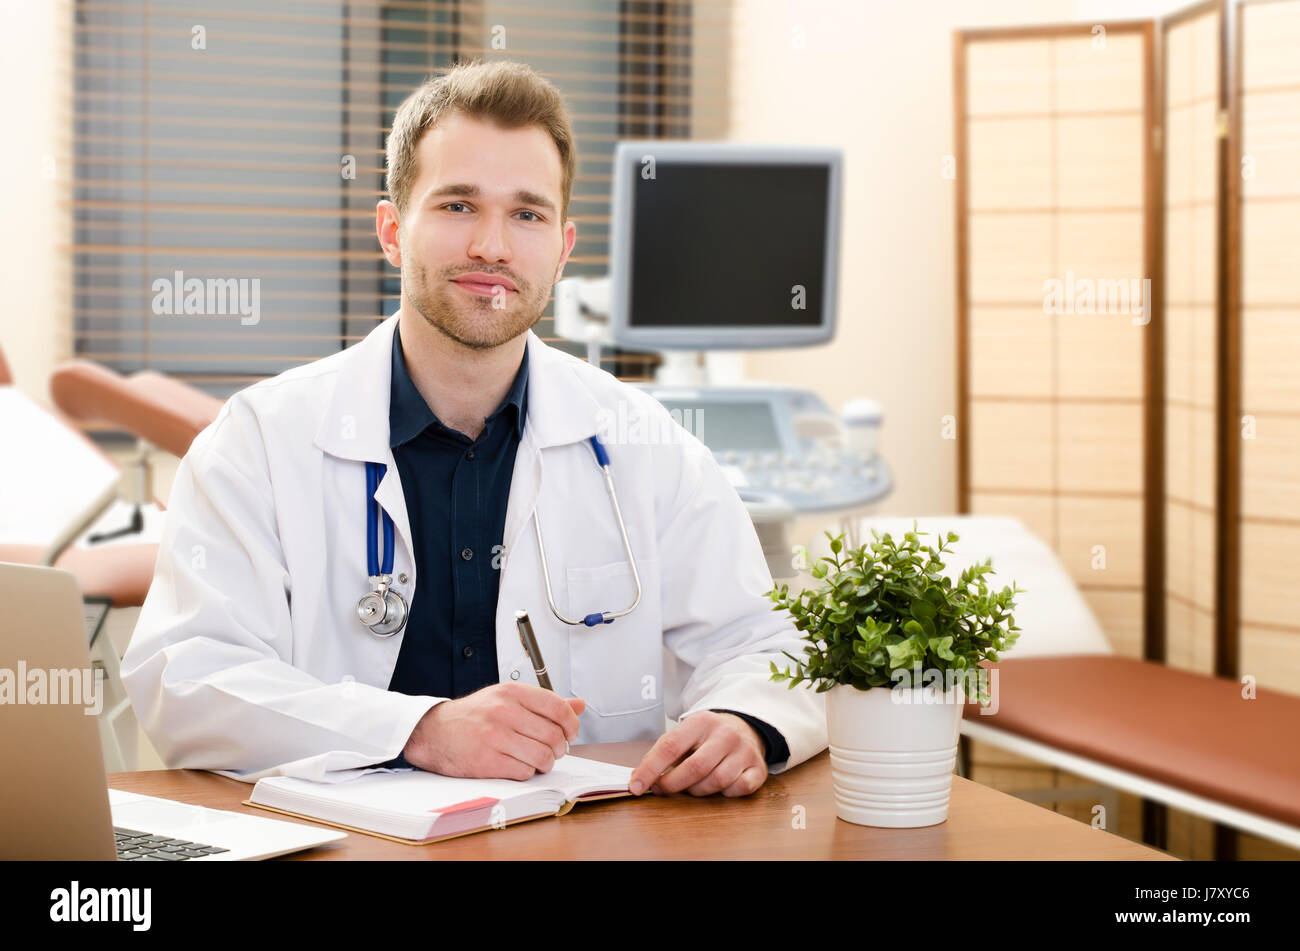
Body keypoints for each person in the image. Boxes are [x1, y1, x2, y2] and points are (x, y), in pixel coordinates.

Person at [123, 59, 826, 798]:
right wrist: (417, 730)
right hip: (340, 843)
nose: (492, 246)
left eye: (527, 214)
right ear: (392, 230)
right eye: (458, 205)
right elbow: (188, 674)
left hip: (580, 844)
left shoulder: (644, 445)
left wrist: (744, 720)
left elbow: (762, 642)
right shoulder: (259, 441)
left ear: (562, 247)